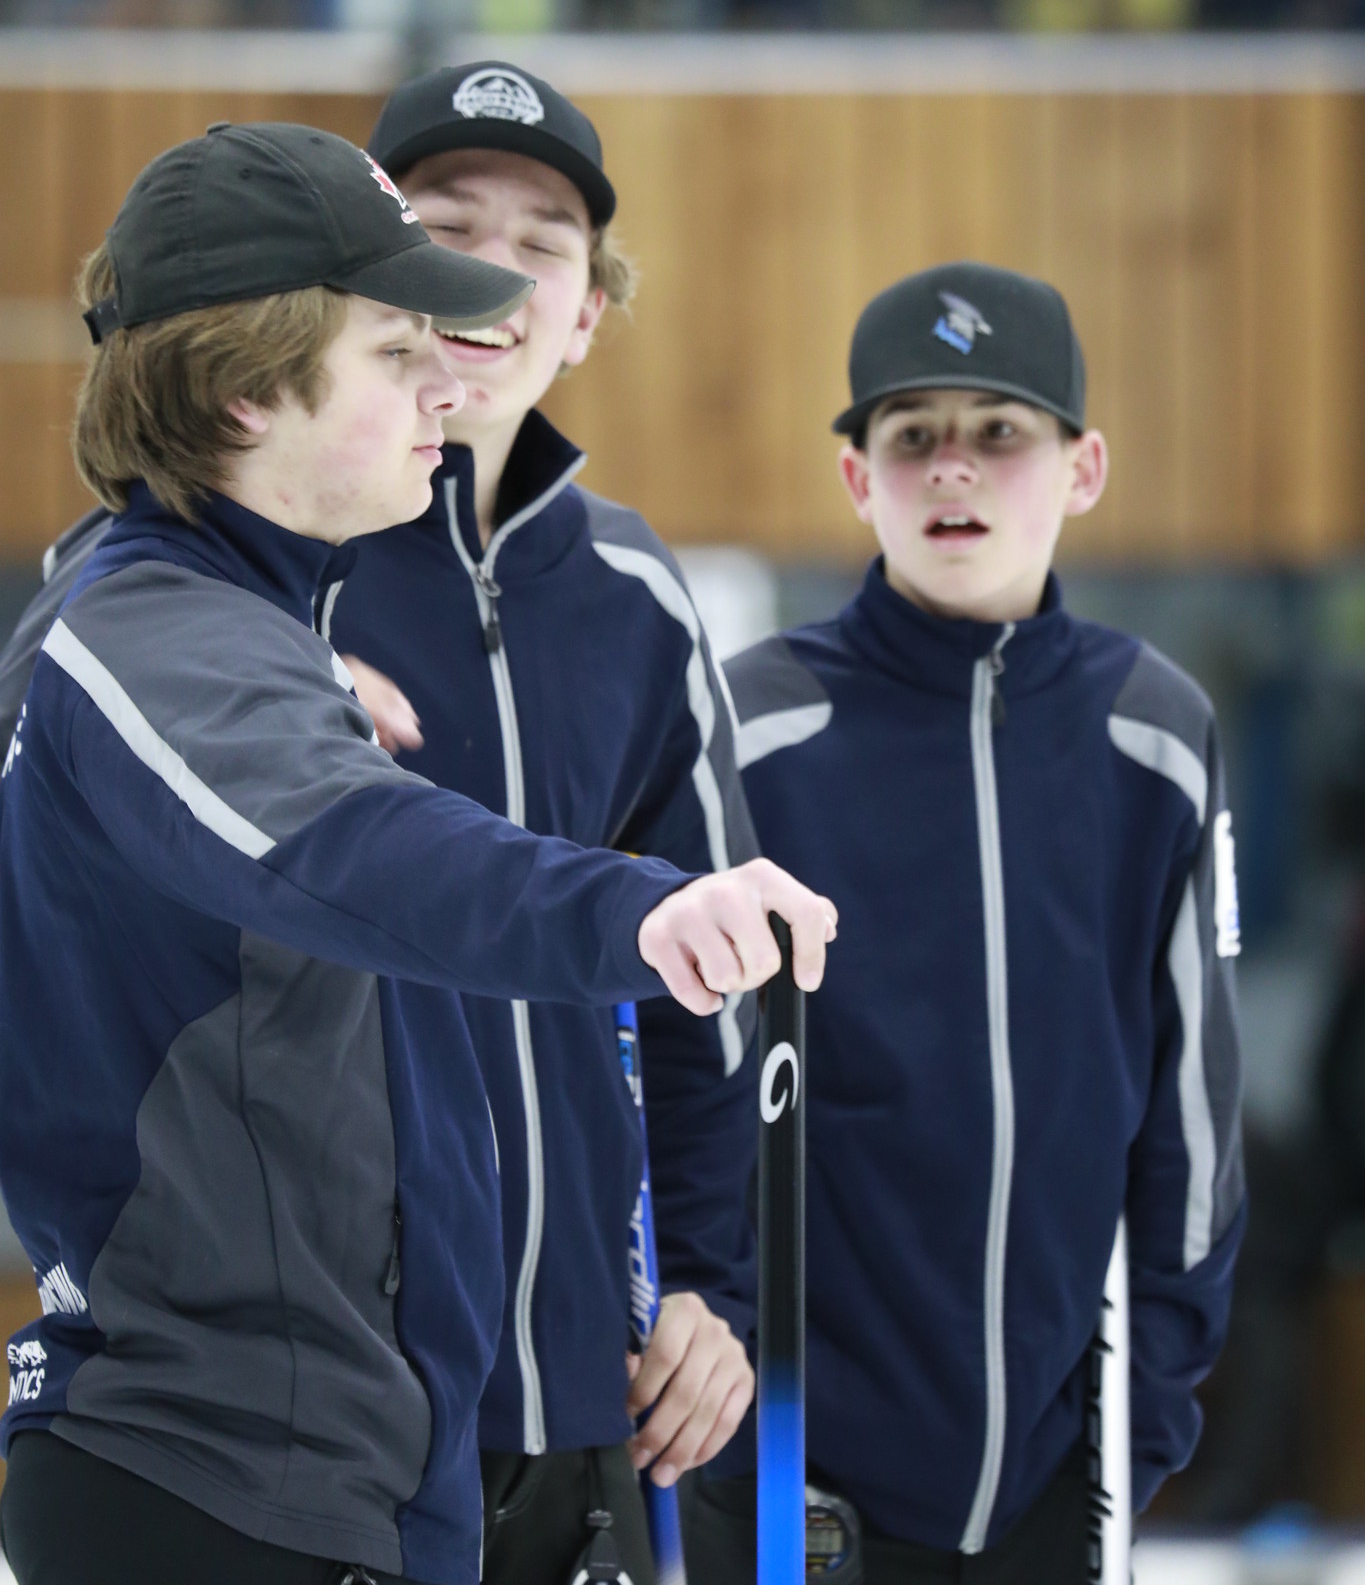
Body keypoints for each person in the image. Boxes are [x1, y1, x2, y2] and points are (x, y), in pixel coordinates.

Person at [0, 121, 836, 1585]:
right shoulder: (150, 638)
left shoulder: (266, 633)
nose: (451, 377)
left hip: (374, 1482)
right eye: (395, 355)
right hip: (211, 1490)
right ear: (249, 390)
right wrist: (650, 914)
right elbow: (371, 857)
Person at [689, 262, 1245, 1582]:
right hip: (787, 1485)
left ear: (1082, 465)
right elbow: (675, 1086)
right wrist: (730, 1415)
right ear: (854, 478)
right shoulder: (749, 728)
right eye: (912, 435)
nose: (953, 469)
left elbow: (1195, 1115)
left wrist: (1146, 1415)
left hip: (1058, 1490)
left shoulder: (1155, 736)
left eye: (998, 432)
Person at [322, 60, 759, 1585]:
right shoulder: (254, 569)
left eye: (542, 243)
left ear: (583, 315)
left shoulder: (635, 600)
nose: (490, 269)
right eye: (446, 222)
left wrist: (710, 1285)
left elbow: (717, 984)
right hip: (328, 1396)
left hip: (591, 1389)